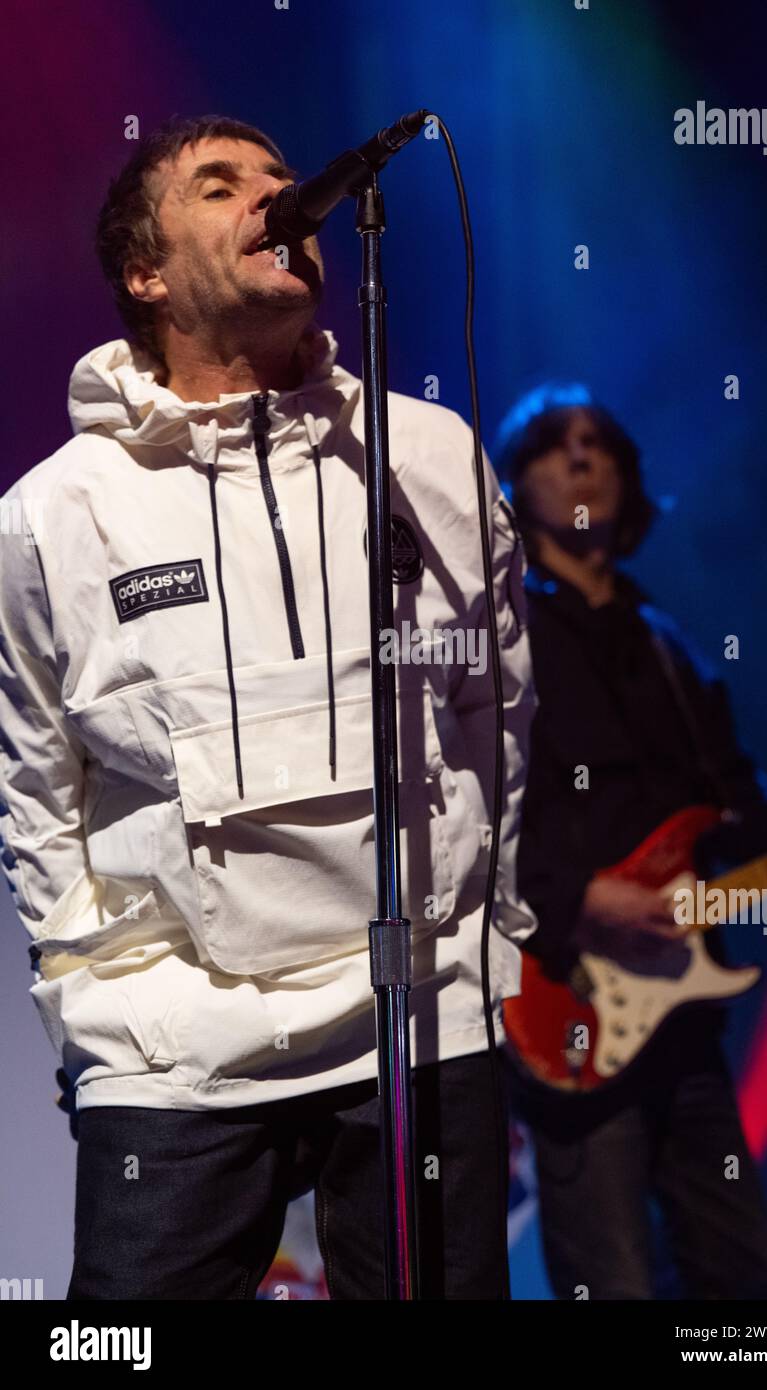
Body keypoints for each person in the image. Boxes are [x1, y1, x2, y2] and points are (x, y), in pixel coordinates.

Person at [0, 115, 537, 1301]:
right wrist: (98, 1003)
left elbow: (495, 720)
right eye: (219, 185)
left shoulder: (433, 456)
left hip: (419, 1011)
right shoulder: (51, 514)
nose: (275, 200)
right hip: (174, 1043)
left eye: (284, 182)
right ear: (144, 272)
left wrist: (477, 949)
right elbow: (37, 785)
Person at [496, 383, 767, 1301]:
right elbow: (464, 815)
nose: (583, 458)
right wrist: (579, 900)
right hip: (569, 1004)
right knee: (610, 1283)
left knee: (748, 1292)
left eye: (602, 445)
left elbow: (747, 819)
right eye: (555, 445)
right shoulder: (502, 639)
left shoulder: (667, 643)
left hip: (687, 1019)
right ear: (517, 484)